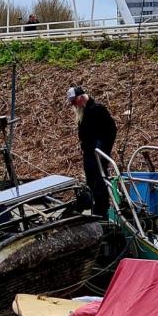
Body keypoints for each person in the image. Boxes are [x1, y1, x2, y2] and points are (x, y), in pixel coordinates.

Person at [67, 85, 117, 217]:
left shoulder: (98, 109)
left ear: (80, 97)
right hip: (89, 153)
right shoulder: (83, 112)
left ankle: (102, 211)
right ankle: (96, 209)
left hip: (99, 153)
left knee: (100, 182)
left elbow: (111, 130)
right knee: (91, 182)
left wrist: (102, 148)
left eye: (74, 101)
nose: (73, 105)